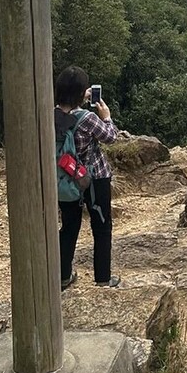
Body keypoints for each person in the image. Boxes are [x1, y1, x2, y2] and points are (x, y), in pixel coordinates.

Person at [55, 65, 120, 289]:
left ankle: (63, 276)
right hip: (94, 178)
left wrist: (79, 96)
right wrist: (107, 117)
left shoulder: (51, 116)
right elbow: (111, 137)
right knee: (101, 227)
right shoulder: (88, 118)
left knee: (69, 227)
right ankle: (103, 279)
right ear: (81, 92)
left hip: (65, 180)